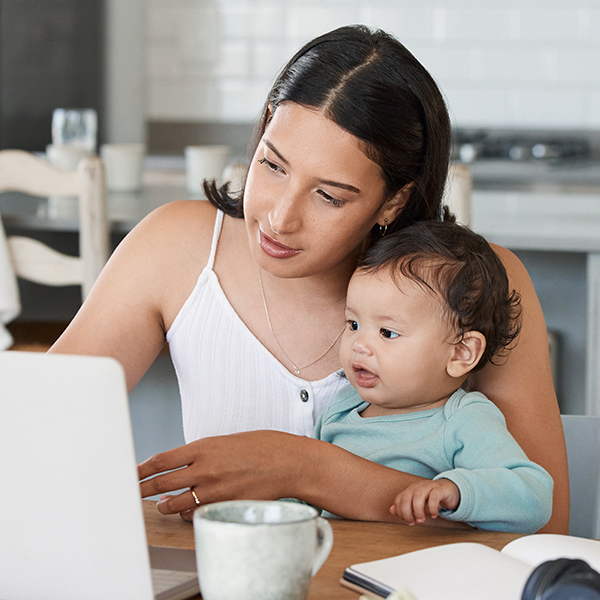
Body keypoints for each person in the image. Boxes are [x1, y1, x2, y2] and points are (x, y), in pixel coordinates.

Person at [49, 25, 569, 531]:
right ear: (266, 124)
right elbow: (33, 426)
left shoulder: (476, 286)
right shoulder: (176, 247)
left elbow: (545, 533)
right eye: (272, 166)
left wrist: (305, 467)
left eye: (329, 196)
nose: (280, 218)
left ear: (395, 199)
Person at [314, 221, 553, 532]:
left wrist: (455, 490)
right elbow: (307, 496)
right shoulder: (341, 407)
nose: (359, 344)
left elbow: (534, 495)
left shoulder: (463, 420)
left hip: (421, 573)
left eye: (387, 332)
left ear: (460, 353)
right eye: (353, 324)